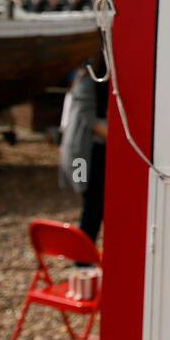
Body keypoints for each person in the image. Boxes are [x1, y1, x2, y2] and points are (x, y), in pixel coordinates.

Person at [59, 52, 109, 247]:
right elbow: (89, 119)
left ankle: (85, 252)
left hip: (83, 153)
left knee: (92, 201)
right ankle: (82, 255)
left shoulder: (84, 80)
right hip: (82, 155)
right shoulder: (87, 82)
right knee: (90, 198)